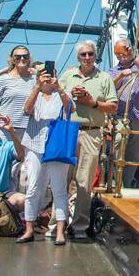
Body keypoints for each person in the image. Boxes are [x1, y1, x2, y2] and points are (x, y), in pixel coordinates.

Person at [58, 41, 117, 235]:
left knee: (85, 181)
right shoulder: (67, 76)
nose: (87, 57)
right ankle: (55, 224)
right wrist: (69, 97)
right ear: (78, 57)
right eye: (83, 54)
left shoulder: (104, 78)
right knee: (61, 180)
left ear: (95, 56)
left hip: (92, 131)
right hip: (68, 130)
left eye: (90, 54)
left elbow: (113, 107)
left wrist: (91, 102)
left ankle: (80, 225)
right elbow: (54, 100)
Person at [17, 66, 75, 245]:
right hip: (35, 144)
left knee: (59, 188)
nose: (48, 77)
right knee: (33, 187)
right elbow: (27, 110)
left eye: (51, 74)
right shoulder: (35, 94)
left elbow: (70, 108)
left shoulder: (61, 94)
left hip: (56, 145)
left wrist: (58, 87)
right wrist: (37, 87)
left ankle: (59, 231)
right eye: (44, 75)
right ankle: (29, 229)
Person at [112, 39, 139, 189]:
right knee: (117, 146)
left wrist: (133, 57)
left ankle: (125, 185)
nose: (122, 56)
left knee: (134, 154)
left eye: (124, 51)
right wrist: (122, 75)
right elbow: (111, 86)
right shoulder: (113, 71)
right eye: (119, 53)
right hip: (122, 115)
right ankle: (116, 181)